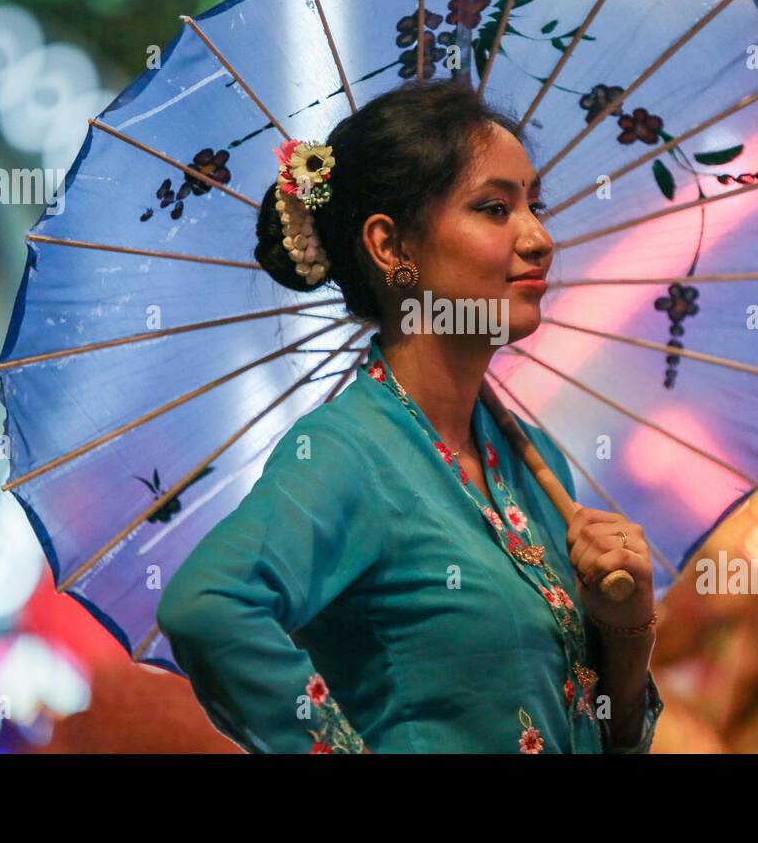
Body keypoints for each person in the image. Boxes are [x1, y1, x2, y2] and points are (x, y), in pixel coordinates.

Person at [156, 77, 664, 753]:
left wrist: (627, 631)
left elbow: (602, 737)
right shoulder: (347, 453)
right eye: (494, 209)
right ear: (392, 248)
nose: (539, 239)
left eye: (533, 206)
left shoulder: (531, 461)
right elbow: (206, 607)